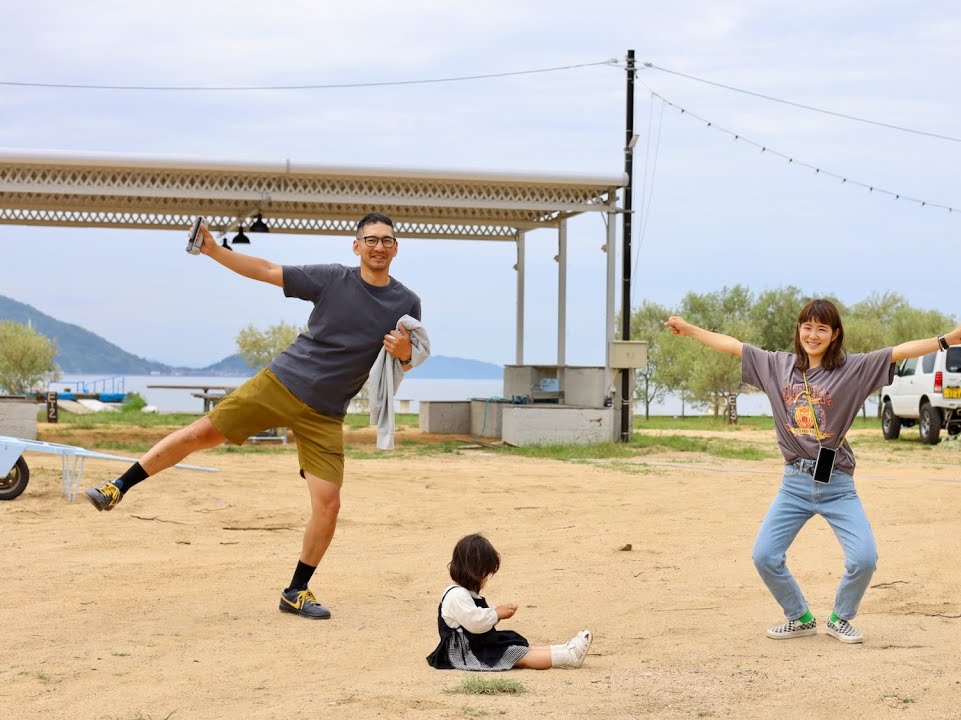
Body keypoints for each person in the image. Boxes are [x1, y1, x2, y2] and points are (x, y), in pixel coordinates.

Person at [83, 212, 423, 620]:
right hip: (282, 382)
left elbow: (409, 357)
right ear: (356, 246)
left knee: (328, 504)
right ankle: (118, 486)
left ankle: (296, 591)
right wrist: (212, 249)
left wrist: (403, 351)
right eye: (371, 240)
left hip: (327, 413)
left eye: (387, 240)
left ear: (396, 248)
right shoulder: (333, 279)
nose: (379, 247)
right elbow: (265, 269)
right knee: (201, 434)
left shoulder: (406, 302)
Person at [665, 300, 961, 644]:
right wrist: (690, 329)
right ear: (798, 330)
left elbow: (898, 352)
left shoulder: (852, 369)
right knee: (765, 556)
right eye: (807, 327)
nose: (813, 335)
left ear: (834, 334)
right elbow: (733, 345)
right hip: (793, 483)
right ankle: (800, 618)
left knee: (864, 559)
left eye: (822, 329)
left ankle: (841, 618)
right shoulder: (776, 366)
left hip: (837, 484)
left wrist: (947, 340)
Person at [427, 533, 593, 671]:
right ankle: (568, 656)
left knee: (518, 646)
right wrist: (496, 613)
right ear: (474, 573)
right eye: (485, 575)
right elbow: (476, 623)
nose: (486, 580)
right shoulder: (457, 596)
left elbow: (476, 618)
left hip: (478, 644)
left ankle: (564, 648)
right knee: (518, 654)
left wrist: (497, 614)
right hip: (467, 652)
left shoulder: (464, 594)